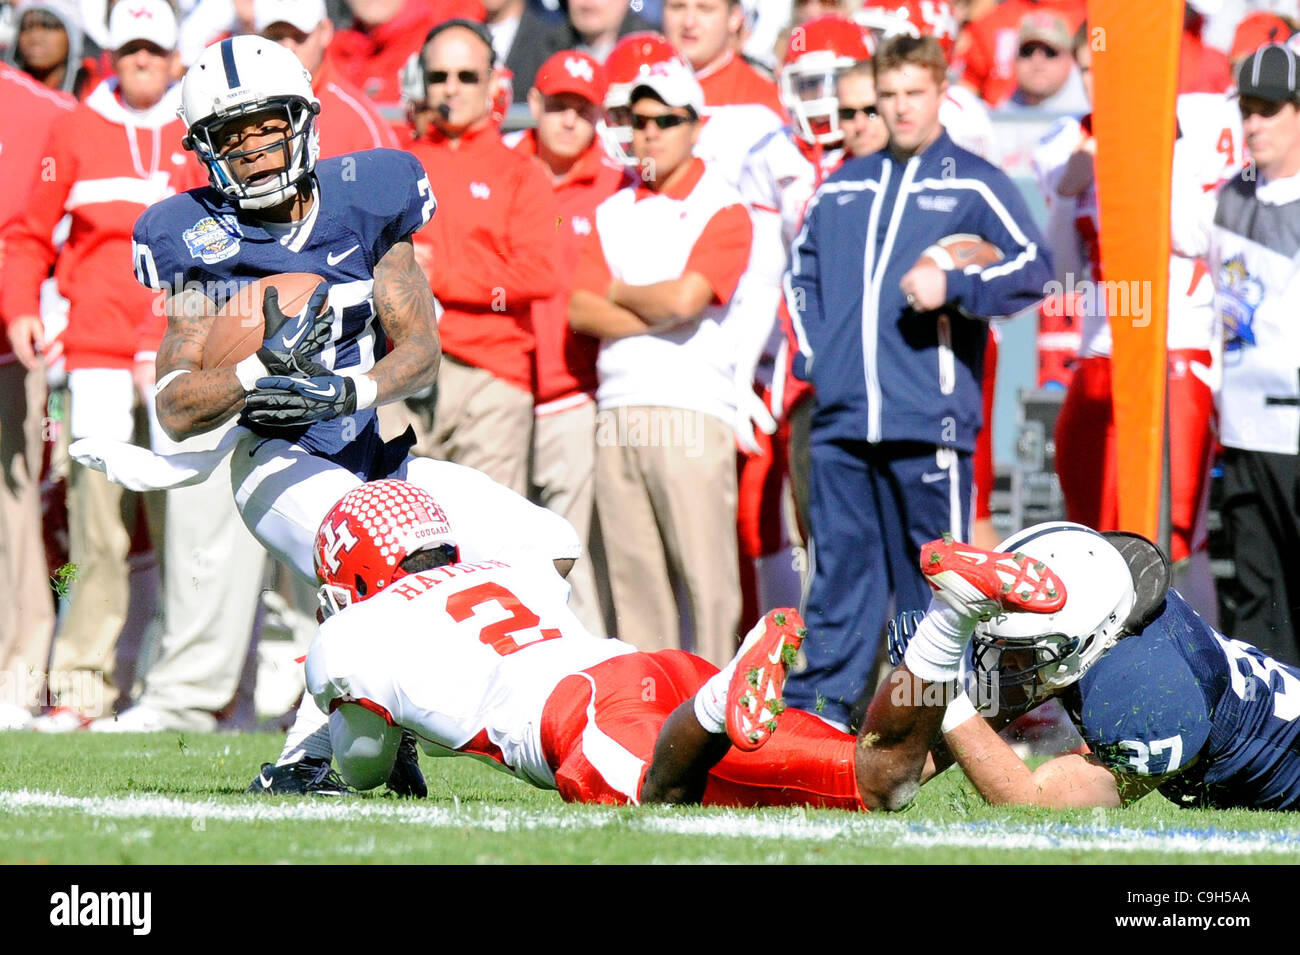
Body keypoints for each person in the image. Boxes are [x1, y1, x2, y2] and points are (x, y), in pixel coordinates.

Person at [305, 478, 1048, 808]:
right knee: (883, 774)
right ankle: (960, 624)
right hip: (644, 666)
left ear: (350, 574)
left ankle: (721, 703)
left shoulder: (351, 630)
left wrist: (371, 732)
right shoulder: (507, 564)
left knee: (657, 798)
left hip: (592, 717)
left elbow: (365, 766)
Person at [781, 34, 1052, 729]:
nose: (900, 109)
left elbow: (1034, 265)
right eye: (888, 95)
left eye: (914, 94)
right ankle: (815, 726)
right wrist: (816, 360)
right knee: (838, 581)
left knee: (933, 589)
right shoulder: (842, 185)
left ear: (941, 94)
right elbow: (798, 277)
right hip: (841, 421)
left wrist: (955, 283)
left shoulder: (972, 181)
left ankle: (930, 734)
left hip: (927, 421)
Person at [3, 0, 198, 730]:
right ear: (112, 54)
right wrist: (22, 306)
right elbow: (28, 234)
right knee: (96, 528)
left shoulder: (196, 129)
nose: (143, 59)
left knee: (185, 523)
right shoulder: (74, 127)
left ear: (176, 55)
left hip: (183, 357)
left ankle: (183, 690)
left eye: (155, 48)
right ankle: (83, 688)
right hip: (96, 354)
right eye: (131, 48)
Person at [894, 521, 1300, 811]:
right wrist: (925, 687)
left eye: (1022, 649)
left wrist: (940, 682)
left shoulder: (1151, 693)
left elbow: (1030, 801)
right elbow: (911, 763)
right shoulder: (1097, 631)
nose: (1010, 662)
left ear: (1084, 640)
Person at [569, 59, 753, 665]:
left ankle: (721, 715)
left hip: (692, 406)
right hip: (618, 404)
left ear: (695, 126)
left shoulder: (724, 206)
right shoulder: (612, 207)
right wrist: (658, 309)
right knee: (634, 580)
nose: (648, 133)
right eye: (636, 120)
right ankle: (652, 724)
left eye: (664, 120)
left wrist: (621, 292)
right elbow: (579, 309)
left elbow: (686, 299)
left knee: (707, 579)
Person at [397, 19, 560, 496]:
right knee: (400, 545)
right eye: (439, 76)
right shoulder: (394, 164)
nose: (452, 88)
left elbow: (540, 274)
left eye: (467, 76)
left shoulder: (521, 172)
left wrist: (440, 276)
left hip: (490, 378)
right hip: (401, 374)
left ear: (493, 82)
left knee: (486, 545)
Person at [509, 49, 631, 634]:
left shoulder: (617, 185)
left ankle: (583, 673)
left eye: (581, 110)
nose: (566, 120)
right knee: (497, 543)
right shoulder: (504, 168)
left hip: (572, 392)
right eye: (557, 105)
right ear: (534, 103)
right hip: (499, 382)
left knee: (568, 549)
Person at [1209, 43, 1300, 666]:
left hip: (1296, 422)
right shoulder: (1226, 197)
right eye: (1247, 108)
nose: (1254, 124)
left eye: (1269, 108)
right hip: (1242, 427)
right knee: (1258, 595)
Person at [0, 59, 75, 730]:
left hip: (6, 341)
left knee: (13, 516)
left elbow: (53, 227)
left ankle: (18, 676)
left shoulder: (42, 109)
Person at [256, 0, 401, 157]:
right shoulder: (242, 108)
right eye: (275, 38)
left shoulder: (356, 117)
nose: (288, 48)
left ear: (325, 31)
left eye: (300, 37)